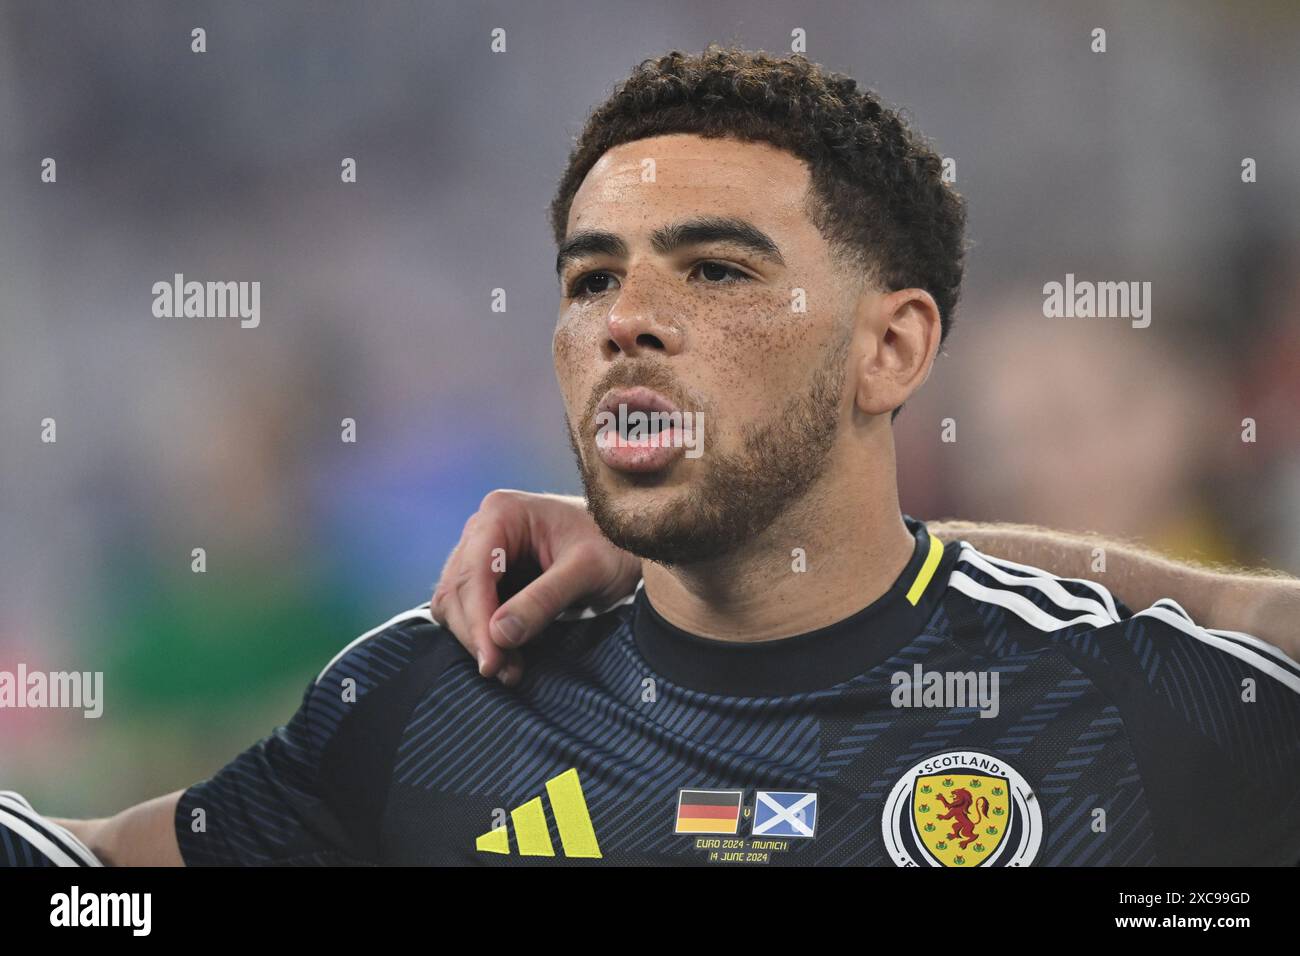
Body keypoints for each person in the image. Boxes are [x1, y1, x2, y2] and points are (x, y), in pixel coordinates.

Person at [30, 46, 1300, 867]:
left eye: (715, 268)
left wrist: (910, 561)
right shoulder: (441, 694)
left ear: (894, 350)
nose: (623, 315)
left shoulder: (1140, 713)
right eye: (591, 277)